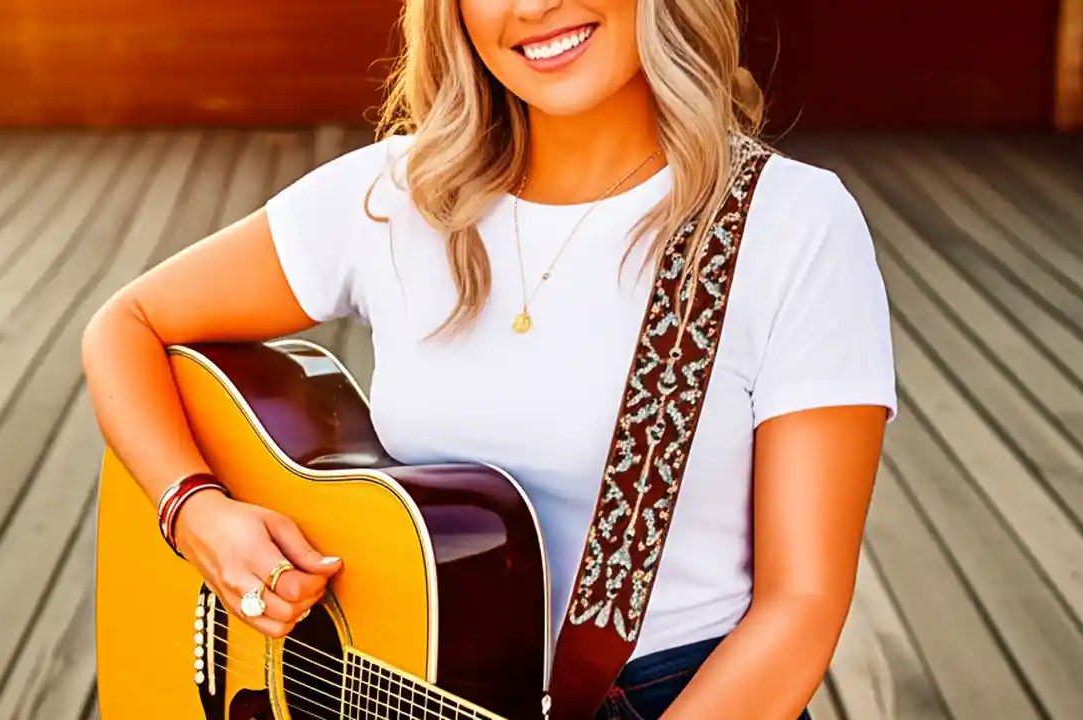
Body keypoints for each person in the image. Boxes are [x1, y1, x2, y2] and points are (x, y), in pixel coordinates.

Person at [80, 1, 898, 717]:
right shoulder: (398, 198)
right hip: (399, 680)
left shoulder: (788, 225)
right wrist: (197, 514)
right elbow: (128, 324)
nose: (535, 5)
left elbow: (801, 606)